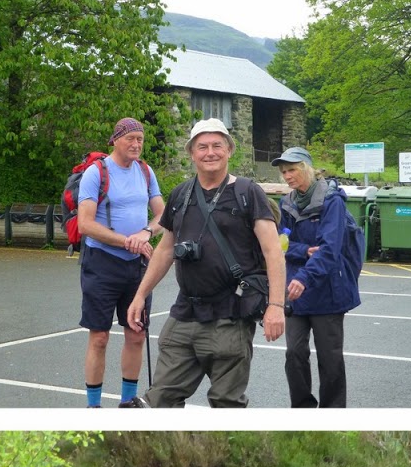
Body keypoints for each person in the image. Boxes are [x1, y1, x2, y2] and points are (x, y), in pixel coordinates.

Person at [126, 119, 286, 407]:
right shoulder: (180, 194)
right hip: (185, 313)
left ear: (229, 151)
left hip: (231, 315)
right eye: (202, 147)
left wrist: (275, 307)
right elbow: (164, 250)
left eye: (217, 146)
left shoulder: (248, 193)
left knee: (226, 404)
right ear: (191, 153)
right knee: (159, 400)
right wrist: (140, 295)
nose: (210, 152)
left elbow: (273, 251)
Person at [76, 118, 164, 407]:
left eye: (140, 139)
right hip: (101, 262)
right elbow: (86, 224)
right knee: (100, 336)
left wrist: (146, 233)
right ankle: (93, 406)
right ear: (115, 140)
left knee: (136, 334)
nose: (136, 144)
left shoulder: (145, 171)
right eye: (130, 139)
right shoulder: (96, 173)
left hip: (136, 266)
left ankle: (127, 402)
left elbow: (163, 215)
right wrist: (127, 241)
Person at [274, 147, 361, 408]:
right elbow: (282, 243)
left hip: (327, 290)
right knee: (294, 353)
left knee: (330, 357)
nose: (288, 176)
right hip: (296, 292)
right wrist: (302, 250)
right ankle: (302, 410)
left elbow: (330, 249)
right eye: (284, 172)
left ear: (307, 169)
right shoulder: (286, 203)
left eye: (292, 170)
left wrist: (304, 277)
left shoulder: (332, 201)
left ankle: (332, 413)